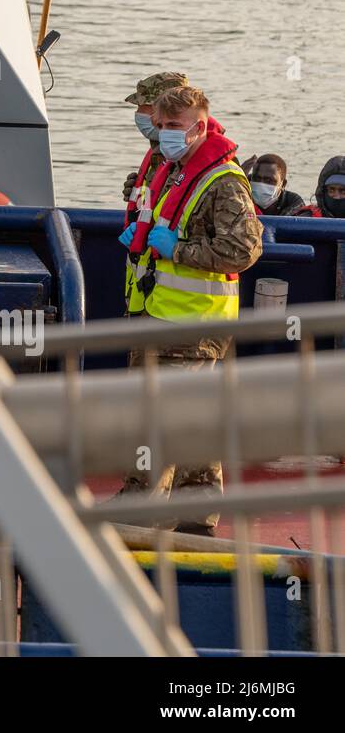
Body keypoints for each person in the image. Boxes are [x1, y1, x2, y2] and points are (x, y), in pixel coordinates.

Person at [117, 84, 263, 536]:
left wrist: (177, 250)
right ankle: (196, 513)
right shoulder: (176, 172)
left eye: (174, 127)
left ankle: (142, 505)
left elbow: (243, 250)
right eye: (160, 127)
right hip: (163, 314)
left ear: (200, 126)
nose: (164, 135)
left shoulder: (222, 182)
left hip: (193, 321)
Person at [121, 71, 188, 205]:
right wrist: (140, 193)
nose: (138, 113)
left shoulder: (187, 155)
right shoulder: (159, 152)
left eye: (144, 106)